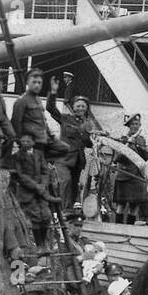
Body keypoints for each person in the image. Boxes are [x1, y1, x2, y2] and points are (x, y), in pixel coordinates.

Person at [45, 77, 96, 206]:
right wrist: (52, 92)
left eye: (83, 106)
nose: (80, 108)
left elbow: (89, 143)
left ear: (86, 108)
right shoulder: (65, 119)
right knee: (65, 181)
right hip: (63, 158)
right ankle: (62, 210)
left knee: (74, 186)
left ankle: (69, 213)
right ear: (73, 107)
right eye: (78, 106)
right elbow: (50, 108)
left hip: (78, 160)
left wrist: (90, 136)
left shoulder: (88, 124)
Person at [11, 132, 57, 249]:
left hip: (41, 191)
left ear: (33, 142)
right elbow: (21, 176)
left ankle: (44, 242)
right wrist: (36, 186)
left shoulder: (39, 154)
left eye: (28, 141)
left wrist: (43, 184)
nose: (25, 143)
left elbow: (45, 171)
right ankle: (39, 244)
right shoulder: (17, 156)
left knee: (46, 215)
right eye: (23, 141)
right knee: (36, 217)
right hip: (27, 191)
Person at [112, 114, 148, 224]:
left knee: (135, 205)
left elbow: (145, 158)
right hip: (124, 174)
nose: (135, 126)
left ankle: (130, 228)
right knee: (121, 204)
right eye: (133, 124)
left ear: (140, 125)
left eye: (137, 124)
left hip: (137, 175)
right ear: (129, 126)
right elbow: (118, 158)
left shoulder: (142, 139)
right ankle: (118, 228)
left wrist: (146, 150)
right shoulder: (123, 138)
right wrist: (129, 142)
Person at [10, 68, 50, 151]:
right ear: (27, 82)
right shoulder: (22, 101)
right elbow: (16, 122)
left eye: (39, 83)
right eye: (34, 82)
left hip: (41, 141)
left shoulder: (38, 100)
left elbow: (43, 121)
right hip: (29, 143)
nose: (37, 85)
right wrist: (21, 143)